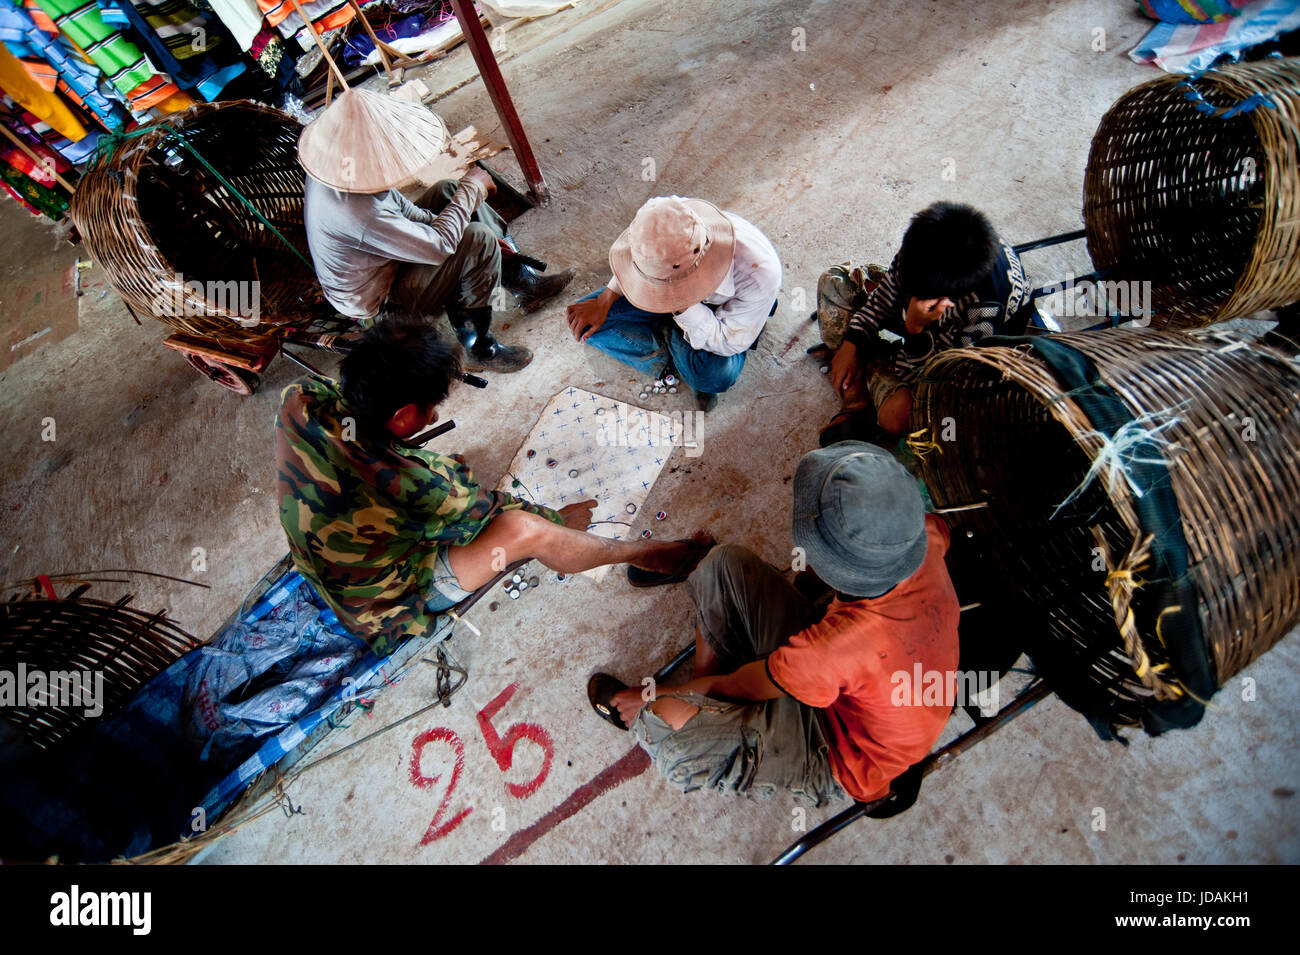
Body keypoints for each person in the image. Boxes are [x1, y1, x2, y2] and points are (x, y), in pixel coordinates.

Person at [275, 313, 709, 656]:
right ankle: (651, 556)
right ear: (405, 416)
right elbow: (496, 511)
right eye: (431, 409)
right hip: (388, 604)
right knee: (526, 531)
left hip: (322, 562)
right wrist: (558, 518)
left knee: (447, 478)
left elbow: (377, 458)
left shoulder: (300, 396)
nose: (432, 417)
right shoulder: (424, 486)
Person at [588, 442, 960, 808]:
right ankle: (710, 701)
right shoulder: (924, 534)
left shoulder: (835, 648)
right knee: (722, 564)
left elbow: (739, 687)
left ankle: (697, 705)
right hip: (856, 687)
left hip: (838, 748)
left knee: (664, 722)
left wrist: (656, 696)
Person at [302, 163, 573, 374]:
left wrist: (464, 202)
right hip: (384, 306)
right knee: (477, 238)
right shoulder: (357, 212)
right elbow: (439, 246)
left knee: (449, 191)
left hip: (386, 261)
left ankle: (526, 287)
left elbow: (410, 214)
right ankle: (479, 348)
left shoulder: (344, 173)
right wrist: (472, 191)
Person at [821, 202, 1035, 445]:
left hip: (956, 357)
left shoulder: (980, 313)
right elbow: (885, 295)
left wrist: (915, 331)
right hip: (928, 314)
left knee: (898, 416)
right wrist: (853, 341)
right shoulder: (922, 245)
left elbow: (932, 376)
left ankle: (858, 391)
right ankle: (860, 371)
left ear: (944, 299)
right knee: (836, 282)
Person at [565, 195, 782, 412]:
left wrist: (680, 305)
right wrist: (606, 299)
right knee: (583, 321)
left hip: (724, 314)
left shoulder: (759, 274)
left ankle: (679, 334)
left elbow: (727, 341)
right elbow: (635, 264)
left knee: (713, 376)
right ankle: (673, 348)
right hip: (668, 292)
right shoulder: (664, 218)